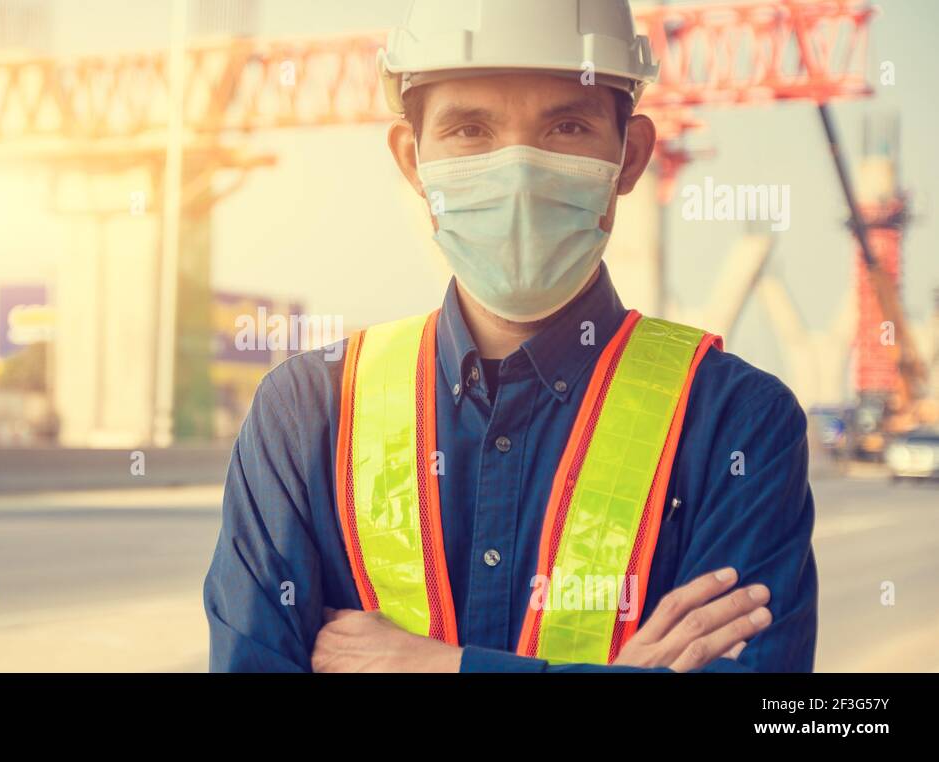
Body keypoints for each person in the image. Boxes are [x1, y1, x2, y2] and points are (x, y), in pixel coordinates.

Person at [204, 0, 816, 672]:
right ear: (413, 162)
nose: (519, 171)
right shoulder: (306, 415)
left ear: (631, 156)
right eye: (470, 130)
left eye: (567, 126)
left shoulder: (737, 422)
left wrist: (435, 665)